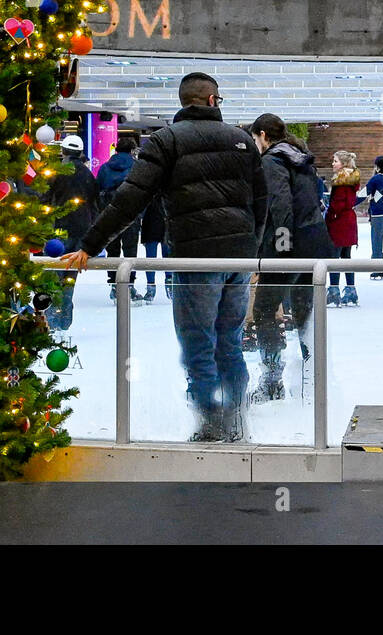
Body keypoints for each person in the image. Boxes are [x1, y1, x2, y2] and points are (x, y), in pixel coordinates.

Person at [61, 71, 267, 443]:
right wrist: (252, 251)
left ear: (183, 101)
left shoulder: (166, 141)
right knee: (230, 344)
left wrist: (90, 244)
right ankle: (236, 422)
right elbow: (262, 200)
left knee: (198, 344)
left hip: (195, 258)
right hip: (237, 260)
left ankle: (211, 423)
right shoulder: (241, 140)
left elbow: (130, 199)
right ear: (211, 100)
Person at [247, 114, 334, 403]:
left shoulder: (272, 160)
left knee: (263, 309)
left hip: (289, 248)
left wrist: (282, 246)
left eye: (255, 139)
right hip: (314, 244)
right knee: (305, 313)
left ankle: (272, 382)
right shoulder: (301, 158)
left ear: (262, 135)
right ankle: (312, 381)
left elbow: (280, 202)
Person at [45, 135, 98, 331]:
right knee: (69, 276)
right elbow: (95, 204)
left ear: (64, 151)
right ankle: (65, 318)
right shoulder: (87, 174)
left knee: (53, 273)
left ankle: (51, 318)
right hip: (81, 230)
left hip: (58, 229)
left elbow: (44, 198)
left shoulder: (56, 172)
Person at [96, 136, 144, 305]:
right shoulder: (137, 167)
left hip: (110, 215)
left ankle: (114, 286)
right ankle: (129, 286)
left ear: (116, 150)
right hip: (131, 214)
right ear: (132, 151)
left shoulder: (105, 168)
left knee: (112, 251)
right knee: (130, 251)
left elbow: (98, 191)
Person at [326, 150, 361, 306]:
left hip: (338, 222)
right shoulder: (351, 179)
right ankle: (351, 289)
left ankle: (333, 290)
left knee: (334, 258)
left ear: (343, 164)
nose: (333, 164)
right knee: (346, 257)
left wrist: (329, 213)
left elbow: (338, 204)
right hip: (349, 221)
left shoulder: (341, 180)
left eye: (335, 161)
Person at [140, 193, 168, 303]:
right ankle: (151, 286)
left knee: (166, 255)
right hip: (152, 220)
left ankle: (168, 282)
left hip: (163, 219)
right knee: (152, 257)